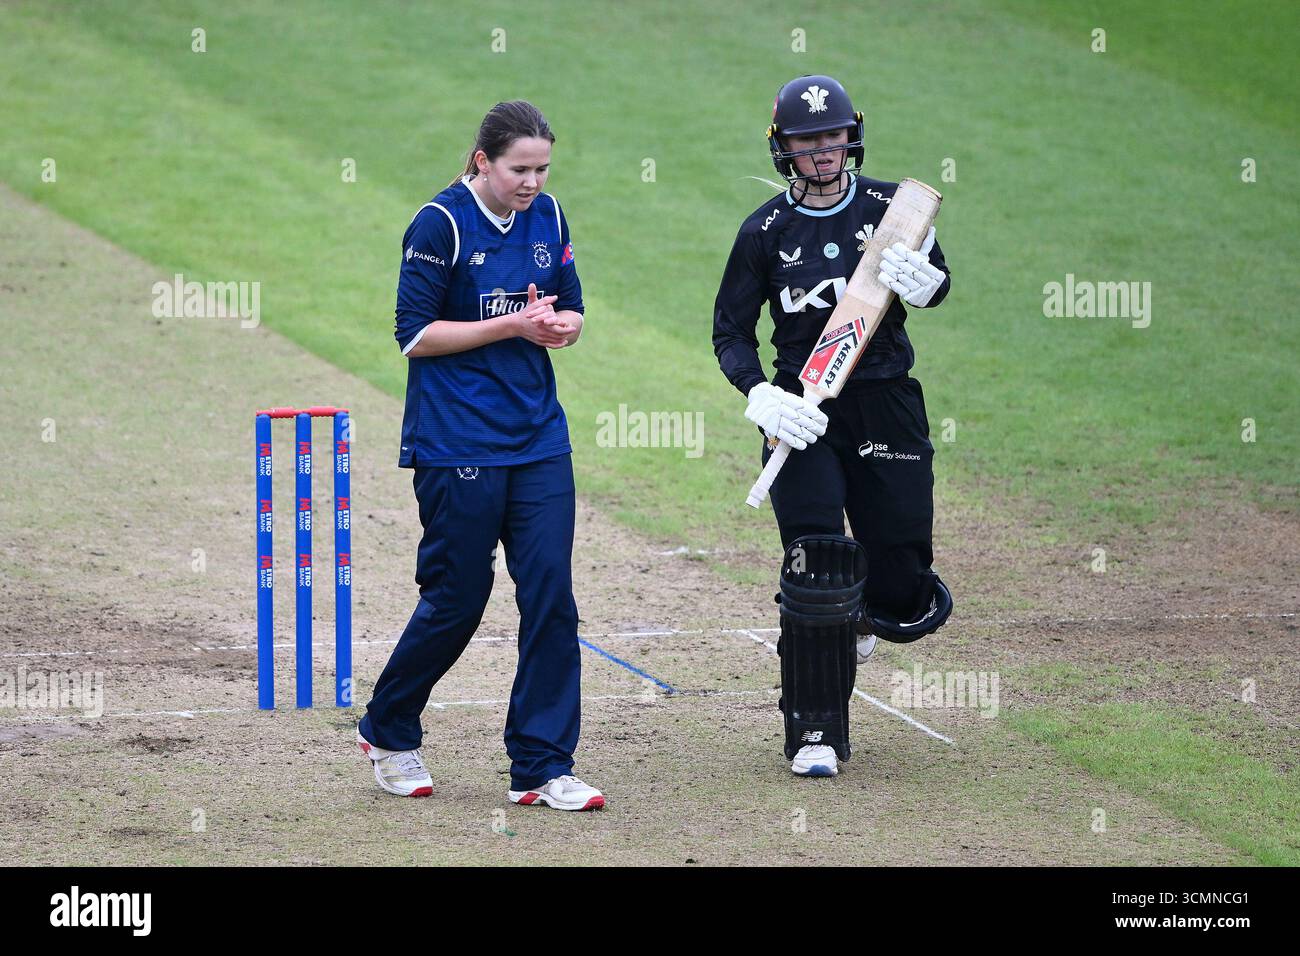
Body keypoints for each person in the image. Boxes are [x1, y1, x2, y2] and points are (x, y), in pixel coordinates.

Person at [356, 100, 604, 811]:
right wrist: (510, 325)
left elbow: (574, 308)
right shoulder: (439, 224)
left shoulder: (549, 217)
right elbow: (414, 335)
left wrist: (559, 326)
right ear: (482, 162)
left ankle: (543, 765)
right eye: (518, 169)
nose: (531, 182)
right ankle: (390, 729)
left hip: (537, 438)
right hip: (456, 438)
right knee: (459, 597)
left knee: (551, 593)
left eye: (541, 168)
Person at [712, 75, 955, 778]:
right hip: (802, 410)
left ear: (852, 137)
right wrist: (759, 393)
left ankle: (866, 616)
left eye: (832, 138)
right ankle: (814, 732)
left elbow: (936, 279)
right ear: (783, 147)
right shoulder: (763, 231)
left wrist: (928, 283)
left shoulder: (891, 210)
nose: (822, 152)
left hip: (884, 401)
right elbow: (730, 330)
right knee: (815, 566)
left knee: (902, 578)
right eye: (806, 141)